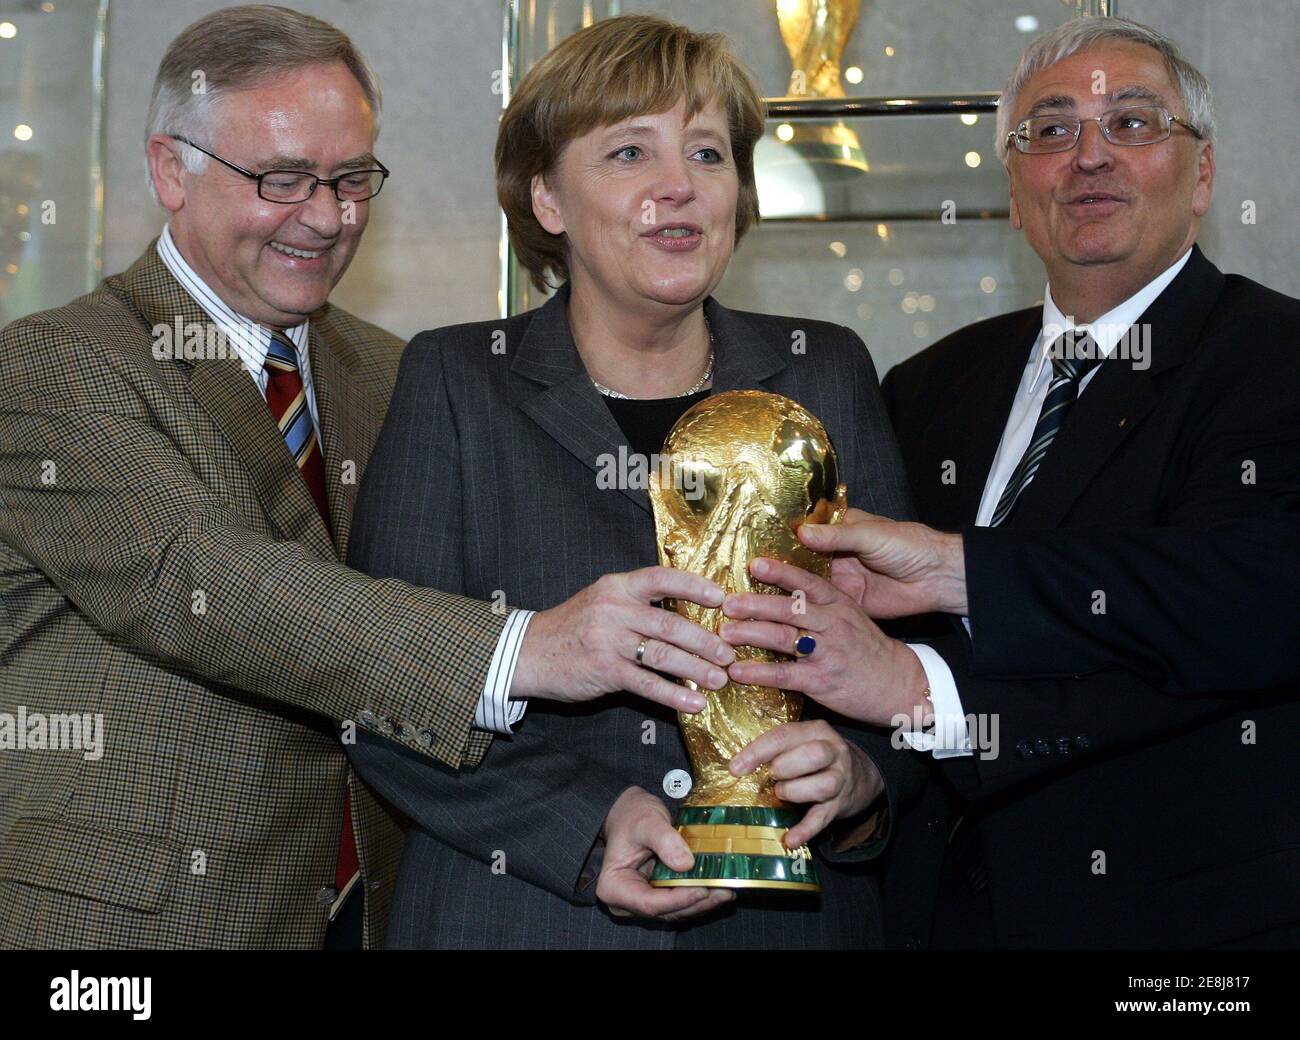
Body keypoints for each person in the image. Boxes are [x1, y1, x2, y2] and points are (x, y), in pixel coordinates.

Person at [0, 4, 729, 950]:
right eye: (283, 179)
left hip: (378, 918)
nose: (328, 217)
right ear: (169, 170)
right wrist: (523, 649)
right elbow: (198, 583)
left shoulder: (396, 371)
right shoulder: (55, 365)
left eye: (352, 180)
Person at [344, 14, 926, 949]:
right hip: (524, 916)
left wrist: (860, 783)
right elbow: (379, 690)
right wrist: (583, 827)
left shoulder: (827, 371)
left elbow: (912, 661)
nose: (678, 188)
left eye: (707, 152)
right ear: (547, 201)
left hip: (782, 929)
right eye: (627, 152)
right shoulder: (456, 379)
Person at [720, 16, 1300, 948]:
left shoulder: (1272, 359)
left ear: (1203, 174)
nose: (1090, 158)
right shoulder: (926, 385)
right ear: (1014, 185)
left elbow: (1246, 605)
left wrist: (953, 589)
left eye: (1135, 124)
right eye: (1052, 130)